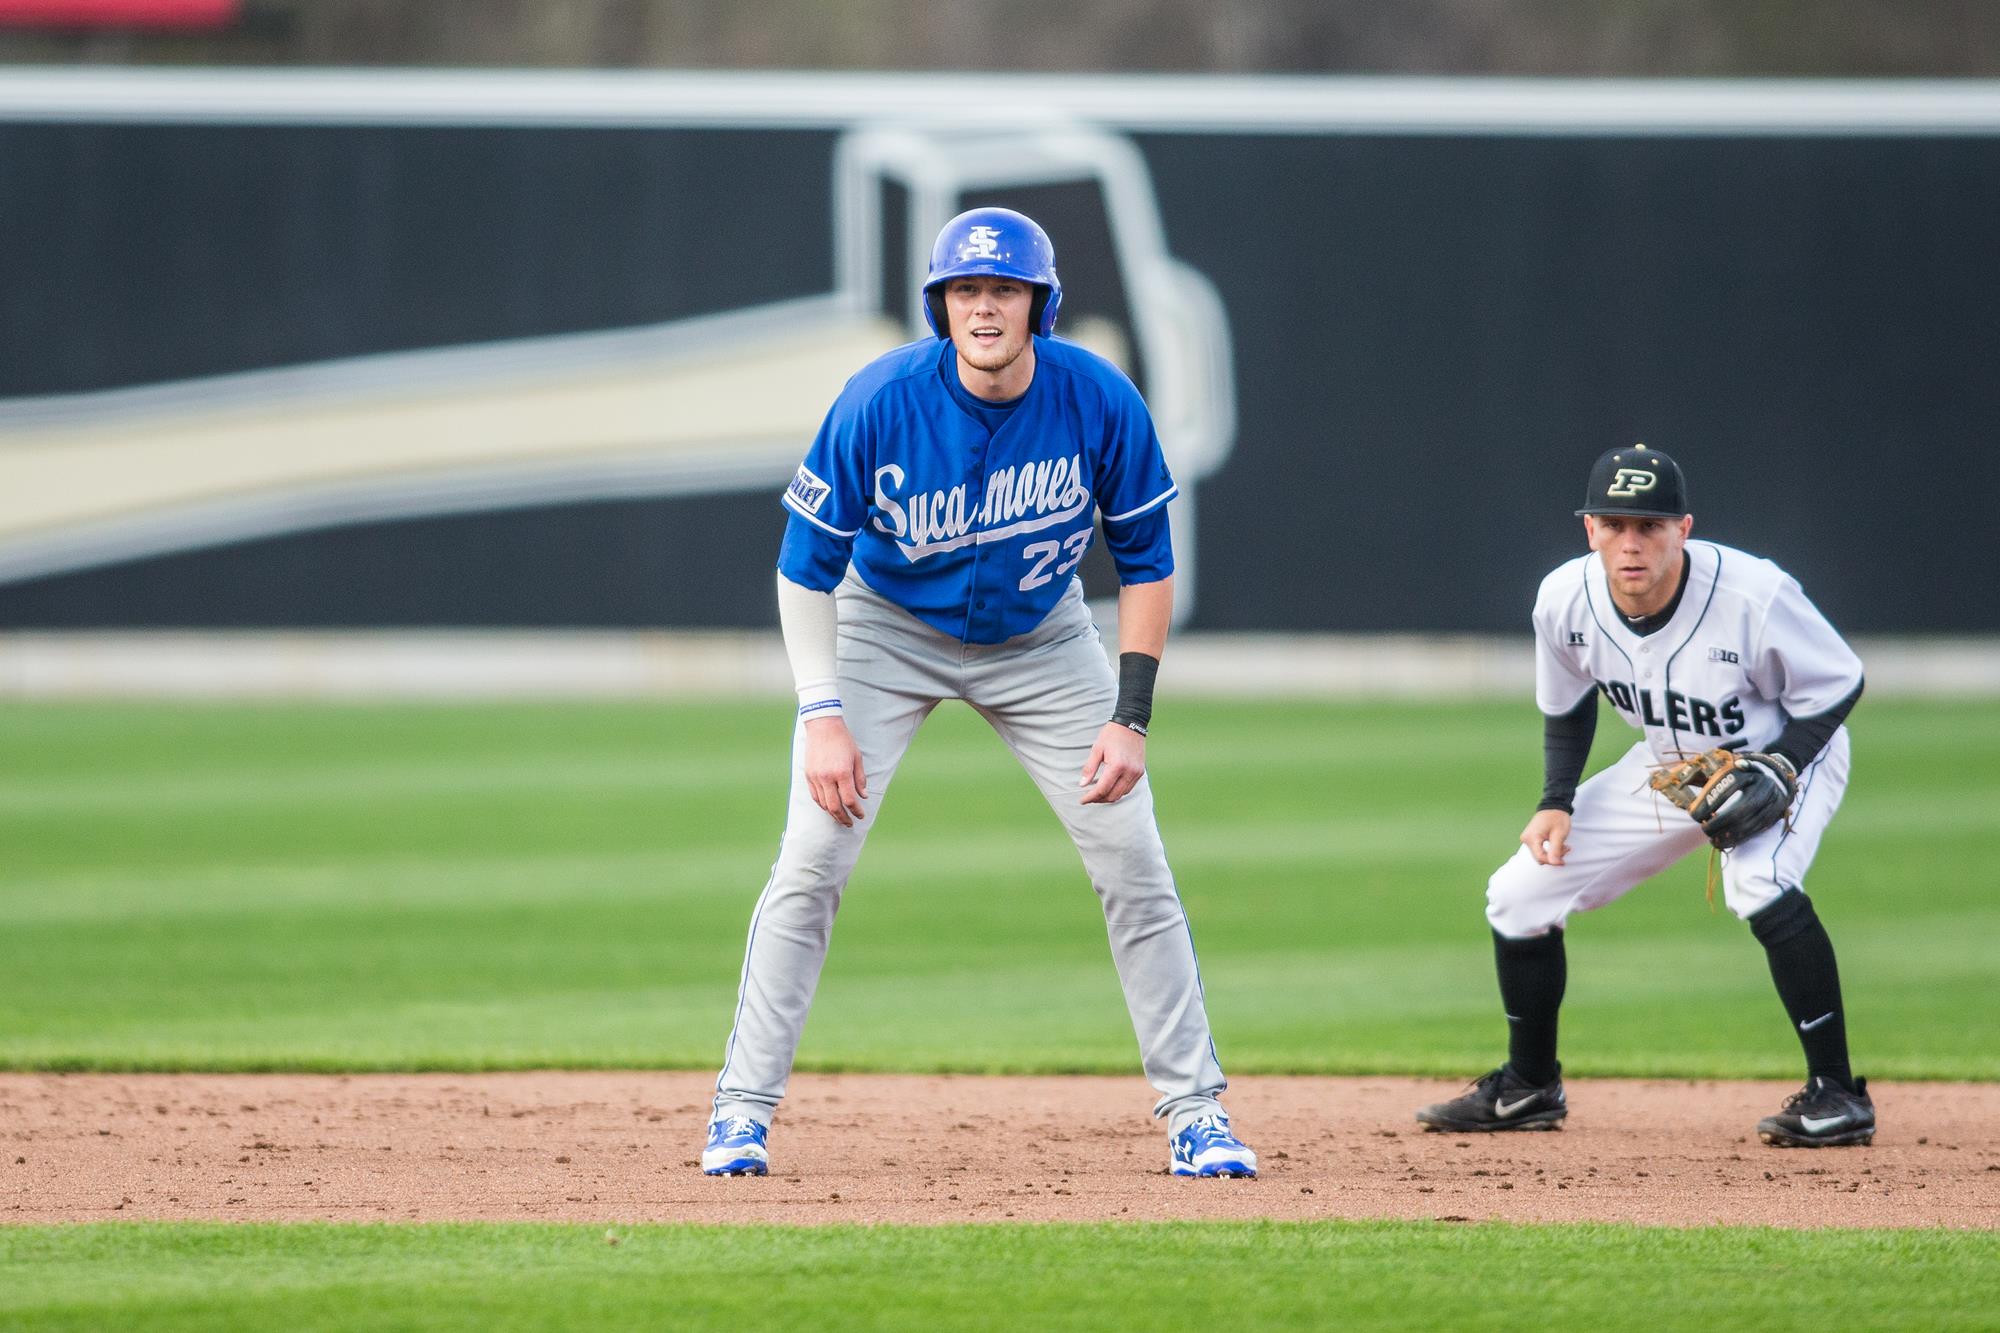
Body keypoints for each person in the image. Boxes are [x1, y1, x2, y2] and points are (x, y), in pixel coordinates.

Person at [701, 207, 1255, 1179]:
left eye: (1003, 290)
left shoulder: (1097, 398)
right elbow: (802, 568)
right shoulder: (878, 399)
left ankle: (1195, 1112)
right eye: (966, 290)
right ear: (939, 306)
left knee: (1132, 856)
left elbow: (1146, 562)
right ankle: (739, 1113)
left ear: (1038, 305)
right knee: (811, 859)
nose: (984, 307)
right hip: (883, 627)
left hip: (1041, 637)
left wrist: (1129, 716)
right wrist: (820, 711)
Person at [1416, 445, 1875, 1147]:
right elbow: (1567, 703)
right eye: (1614, 524)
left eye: (1650, 526)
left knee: (1760, 880)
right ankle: (1529, 1086)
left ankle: (1839, 1094)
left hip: (1784, 751)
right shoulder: (1565, 599)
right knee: (1519, 892)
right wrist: (1555, 799)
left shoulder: (1754, 595)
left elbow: (1838, 682)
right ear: (1590, 529)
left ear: (1683, 529)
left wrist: (1783, 764)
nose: (1631, 543)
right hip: (1671, 765)